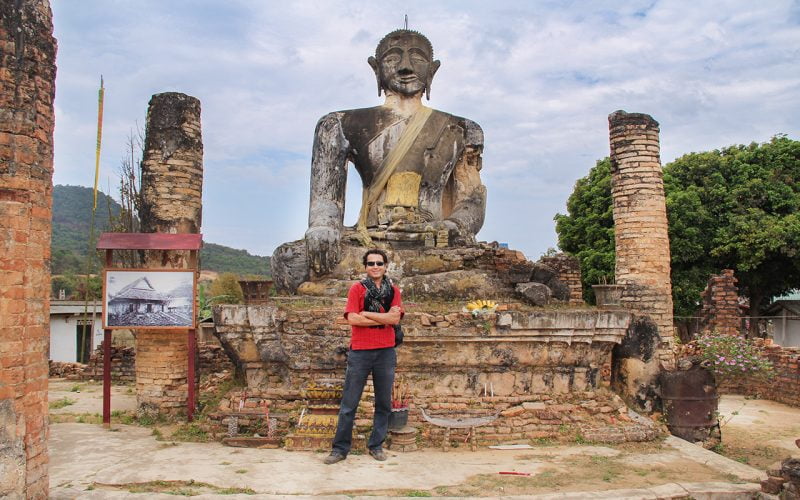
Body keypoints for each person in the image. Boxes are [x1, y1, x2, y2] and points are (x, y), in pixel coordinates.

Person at [271, 28, 486, 292]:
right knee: (289, 260)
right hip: (368, 241)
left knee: (478, 267)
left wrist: (449, 227)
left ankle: (357, 289)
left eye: (416, 58)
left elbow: (472, 202)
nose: (406, 66)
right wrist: (323, 228)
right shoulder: (339, 124)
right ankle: (408, 286)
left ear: (433, 70)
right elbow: (326, 205)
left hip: (431, 244)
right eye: (393, 58)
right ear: (376, 69)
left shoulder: (464, 129)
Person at [324, 248, 403, 464]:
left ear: (386, 266)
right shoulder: (357, 289)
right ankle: (340, 449)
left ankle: (376, 445)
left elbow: (395, 320)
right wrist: (382, 318)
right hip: (360, 351)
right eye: (371, 263)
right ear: (365, 267)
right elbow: (353, 319)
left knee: (383, 403)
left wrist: (367, 313)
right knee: (349, 403)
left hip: (386, 351)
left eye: (379, 263)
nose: (375, 267)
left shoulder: (393, 290)